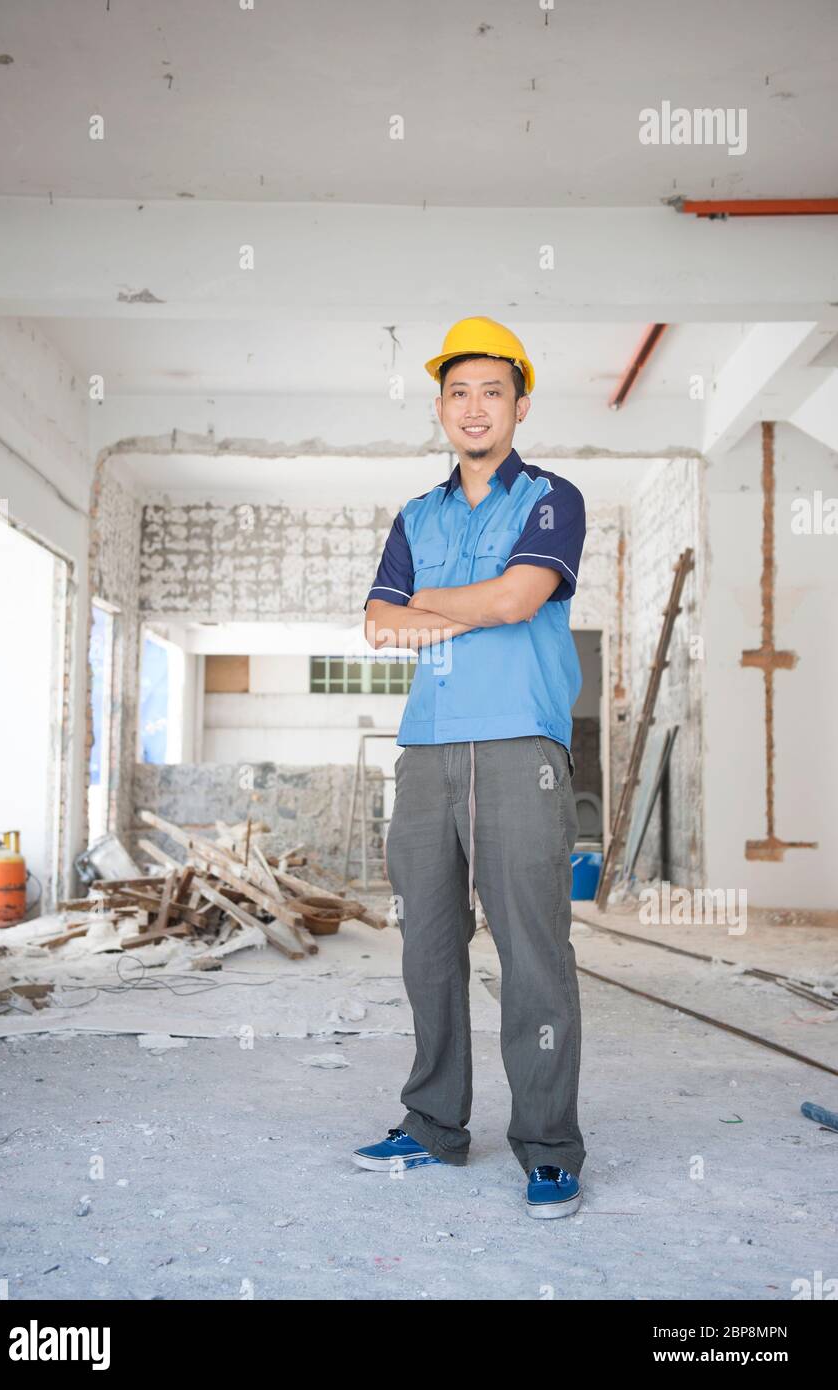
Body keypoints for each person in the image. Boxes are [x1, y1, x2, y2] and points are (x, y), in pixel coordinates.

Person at [353, 317, 587, 1218]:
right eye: (458, 392)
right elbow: (377, 623)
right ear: (442, 408)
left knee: (533, 950)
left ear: (519, 404)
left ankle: (548, 1146)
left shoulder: (550, 499)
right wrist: (471, 605)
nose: (475, 407)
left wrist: (434, 604)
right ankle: (431, 1124)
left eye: (492, 390)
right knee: (426, 945)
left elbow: (519, 596)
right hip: (426, 749)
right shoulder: (417, 515)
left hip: (518, 745)